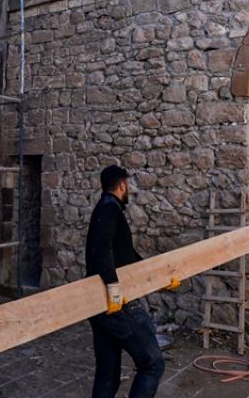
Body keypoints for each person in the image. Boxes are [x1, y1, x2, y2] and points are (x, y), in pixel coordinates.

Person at [85, 165, 165, 398]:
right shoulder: (110, 209)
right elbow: (101, 249)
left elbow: (126, 255)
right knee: (153, 364)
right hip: (116, 305)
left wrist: (159, 275)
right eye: (127, 185)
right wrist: (113, 285)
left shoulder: (103, 209)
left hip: (99, 306)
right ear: (122, 185)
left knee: (108, 373)